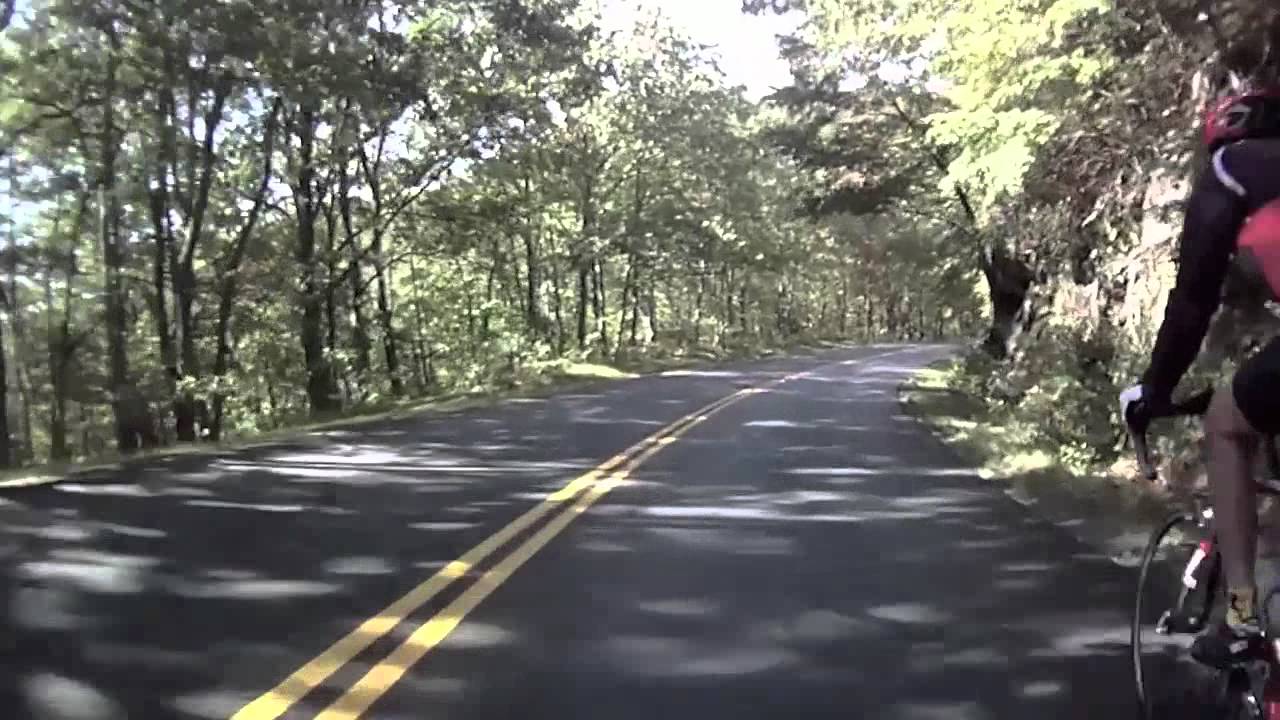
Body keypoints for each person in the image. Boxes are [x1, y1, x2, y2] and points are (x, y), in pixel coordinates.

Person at [1121, 89, 1280, 665]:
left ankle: (1240, 616)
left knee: (1226, 426)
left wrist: (1156, 390)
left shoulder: (1231, 167)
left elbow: (1194, 299)